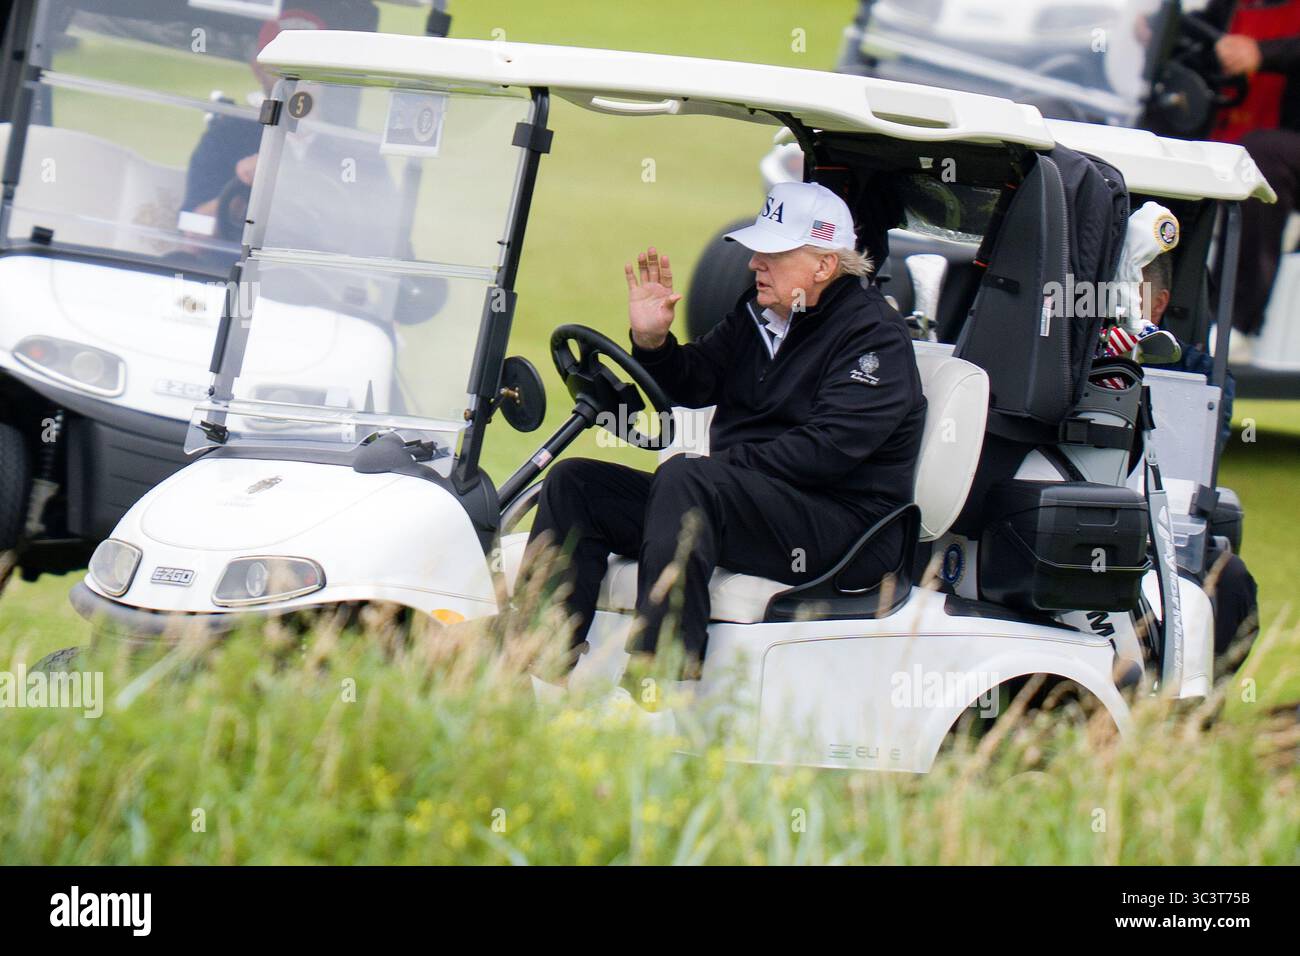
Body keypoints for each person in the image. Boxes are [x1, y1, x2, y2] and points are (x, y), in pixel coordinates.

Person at [523, 182, 927, 707]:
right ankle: (534, 670)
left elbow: (825, 451)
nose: (756, 262)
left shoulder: (874, 339)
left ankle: (659, 685)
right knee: (576, 483)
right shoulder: (759, 316)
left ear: (824, 266)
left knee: (688, 479)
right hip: (747, 502)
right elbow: (693, 381)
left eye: (775, 253)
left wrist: (715, 470)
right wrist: (653, 342)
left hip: (841, 526)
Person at [1195, 0, 1300, 348]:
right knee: (1159, 138)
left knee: (1262, 158)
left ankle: (1234, 322)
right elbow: (1201, 29)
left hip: (1281, 145)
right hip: (1225, 132)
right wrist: (1156, 33)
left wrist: (1262, 52)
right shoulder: (1228, 7)